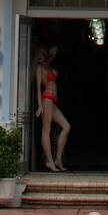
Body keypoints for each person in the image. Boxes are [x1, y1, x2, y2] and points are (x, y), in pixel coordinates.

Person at [34, 44, 69, 172]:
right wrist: (39, 105)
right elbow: (38, 88)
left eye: (43, 58)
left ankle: (57, 159)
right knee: (46, 130)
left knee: (66, 126)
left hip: (53, 101)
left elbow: (55, 49)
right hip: (47, 100)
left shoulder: (48, 67)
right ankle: (49, 160)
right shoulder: (39, 69)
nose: (41, 60)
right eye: (39, 58)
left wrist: (49, 56)